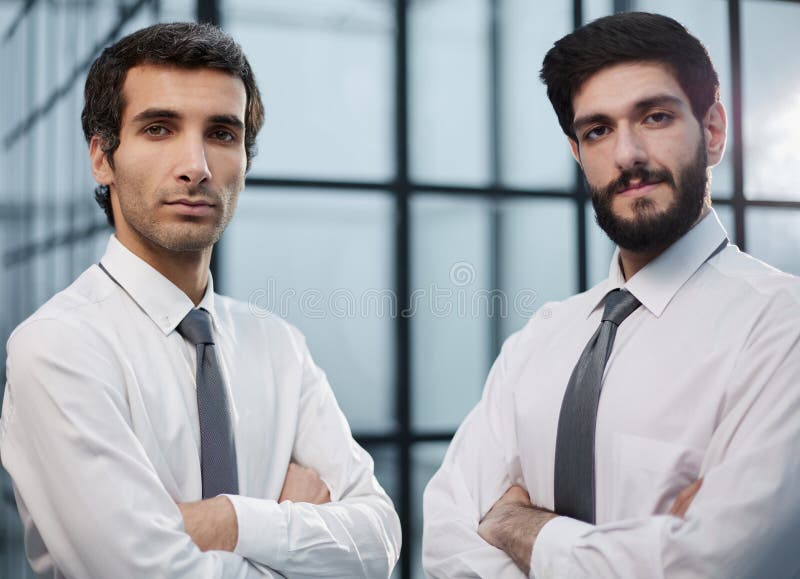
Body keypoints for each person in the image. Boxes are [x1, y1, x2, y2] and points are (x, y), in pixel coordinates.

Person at [0, 22, 400, 578]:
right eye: (159, 129)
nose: (197, 166)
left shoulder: (279, 345)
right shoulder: (58, 348)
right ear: (102, 158)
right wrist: (290, 523)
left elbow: (378, 544)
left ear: (246, 159)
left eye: (222, 133)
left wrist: (227, 521)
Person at [423, 12, 800, 579]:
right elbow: (446, 540)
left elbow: (711, 564)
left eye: (655, 117)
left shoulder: (782, 326)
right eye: (598, 130)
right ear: (577, 152)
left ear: (714, 131)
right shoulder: (538, 340)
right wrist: (643, 549)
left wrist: (517, 527)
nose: (627, 155)